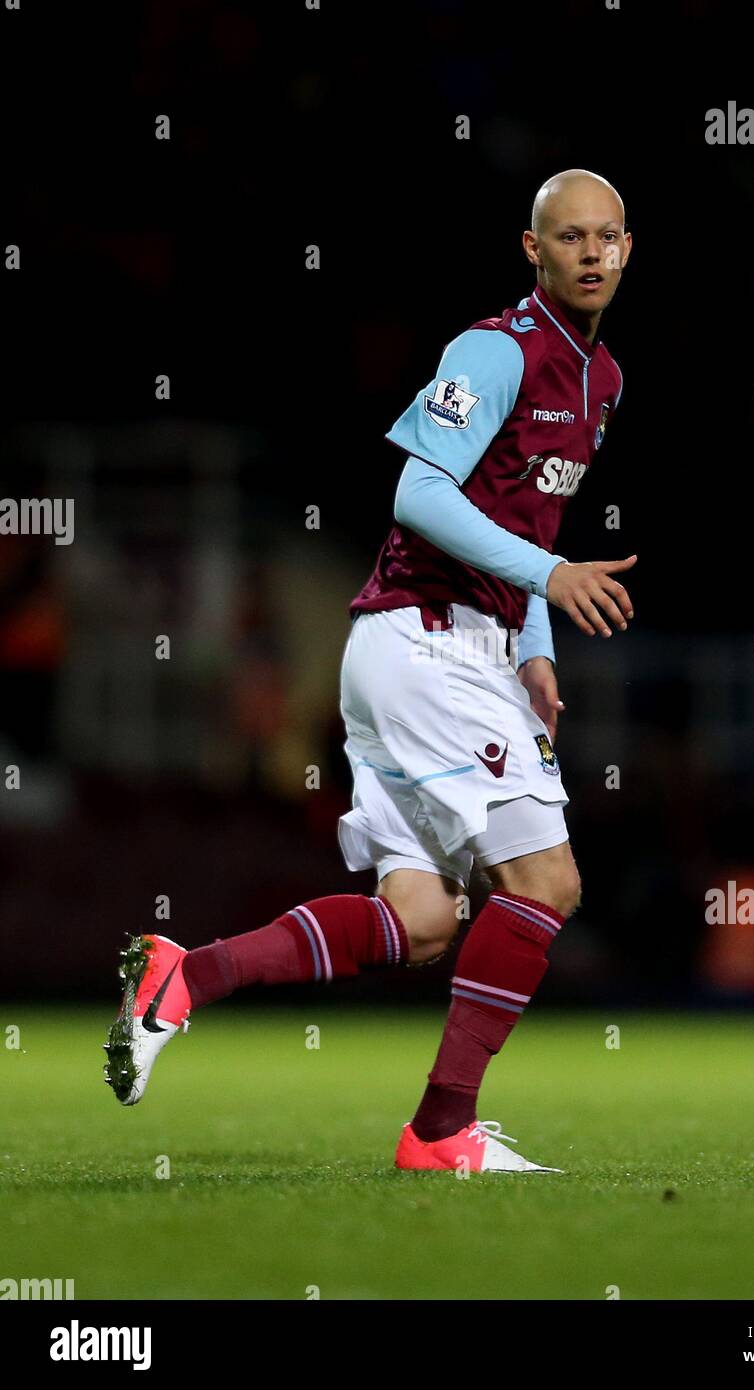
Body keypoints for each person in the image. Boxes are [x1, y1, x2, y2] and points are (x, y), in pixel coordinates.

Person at [104, 168, 636, 1175]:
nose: (591, 253)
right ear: (534, 249)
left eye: (607, 235)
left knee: (424, 922)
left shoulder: (601, 383)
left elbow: (526, 524)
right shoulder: (493, 351)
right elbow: (420, 493)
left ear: (628, 246)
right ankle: (440, 1132)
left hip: (449, 650)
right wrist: (550, 579)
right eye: (569, 237)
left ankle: (183, 975)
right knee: (546, 879)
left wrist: (534, 650)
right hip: (422, 642)